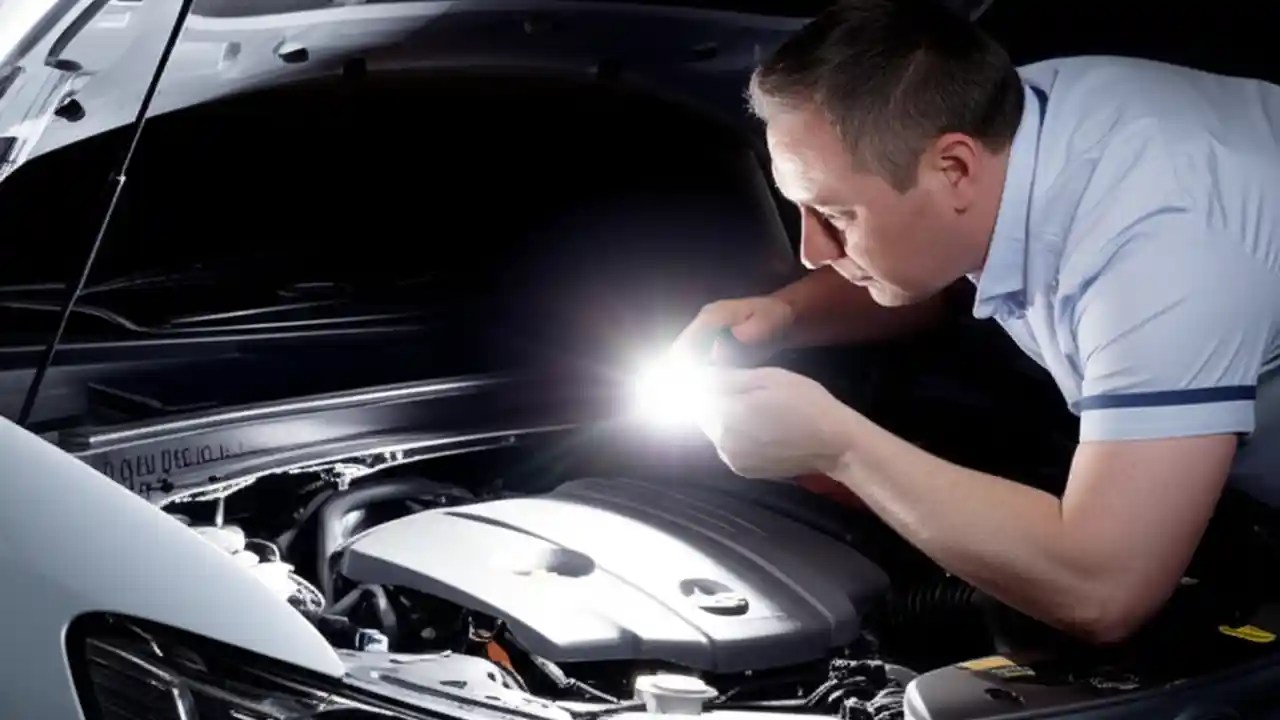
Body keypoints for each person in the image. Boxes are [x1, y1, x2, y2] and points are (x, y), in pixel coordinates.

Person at [675, 0, 1280, 645]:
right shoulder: (1007, 127)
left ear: (954, 168)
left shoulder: (1158, 248)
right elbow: (939, 263)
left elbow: (1105, 589)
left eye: (837, 216)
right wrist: (788, 314)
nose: (813, 252)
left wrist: (838, 445)